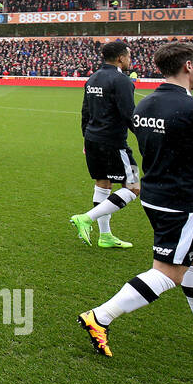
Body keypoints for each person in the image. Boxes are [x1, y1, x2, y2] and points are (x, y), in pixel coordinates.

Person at [78, 42, 193, 357]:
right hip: (181, 201)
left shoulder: (145, 105)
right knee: (169, 272)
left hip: (154, 194)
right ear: (187, 67)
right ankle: (100, 316)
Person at [70, 41, 141, 248]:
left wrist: (86, 138)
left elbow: (85, 112)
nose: (130, 59)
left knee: (103, 184)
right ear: (120, 58)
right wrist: (147, 138)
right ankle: (86, 218)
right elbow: (130, 115)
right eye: (128, 56)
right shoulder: (122, 80)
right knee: (134, 186)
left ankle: (105, 236)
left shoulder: (93, 77)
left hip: (93, 139)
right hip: (114, 143)